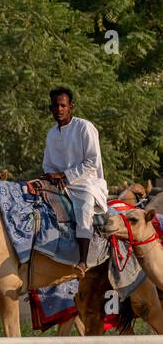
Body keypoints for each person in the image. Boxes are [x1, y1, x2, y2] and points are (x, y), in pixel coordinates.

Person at [41, 86, 108, 272]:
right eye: (55, 106)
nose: (59, 109)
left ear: (71, 106)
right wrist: (54, 177)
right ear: (51, 108)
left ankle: (83, 260)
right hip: (60, 183)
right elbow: (47, 164)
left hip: (87, 183)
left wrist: (65, 175)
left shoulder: (84, 127)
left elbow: (92, 162)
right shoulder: (51, 134)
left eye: (63, 105)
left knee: (84, 203)